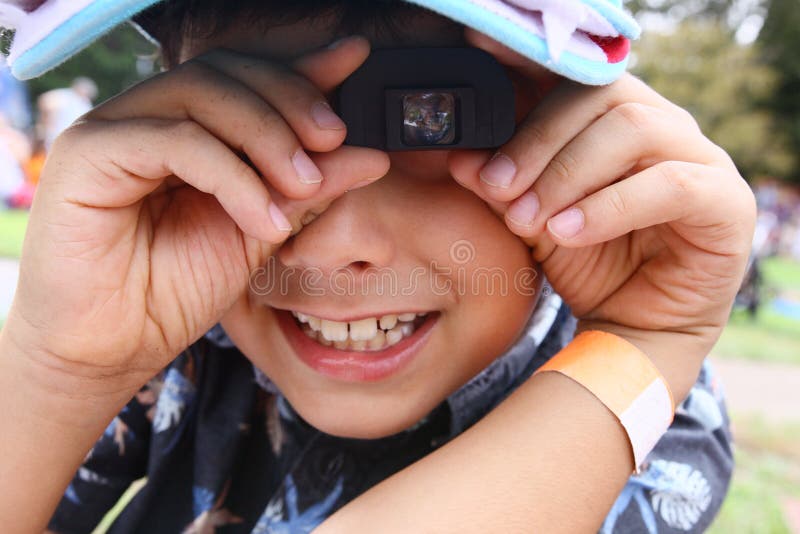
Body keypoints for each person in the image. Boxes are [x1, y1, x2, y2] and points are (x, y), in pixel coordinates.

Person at [0, 1, 754, 532]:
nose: (329, 244)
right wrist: (59, 366)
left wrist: (647, 338)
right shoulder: (175, 344)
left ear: (580, 131)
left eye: (434, 118)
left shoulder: (642, 403)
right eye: (245, 132)